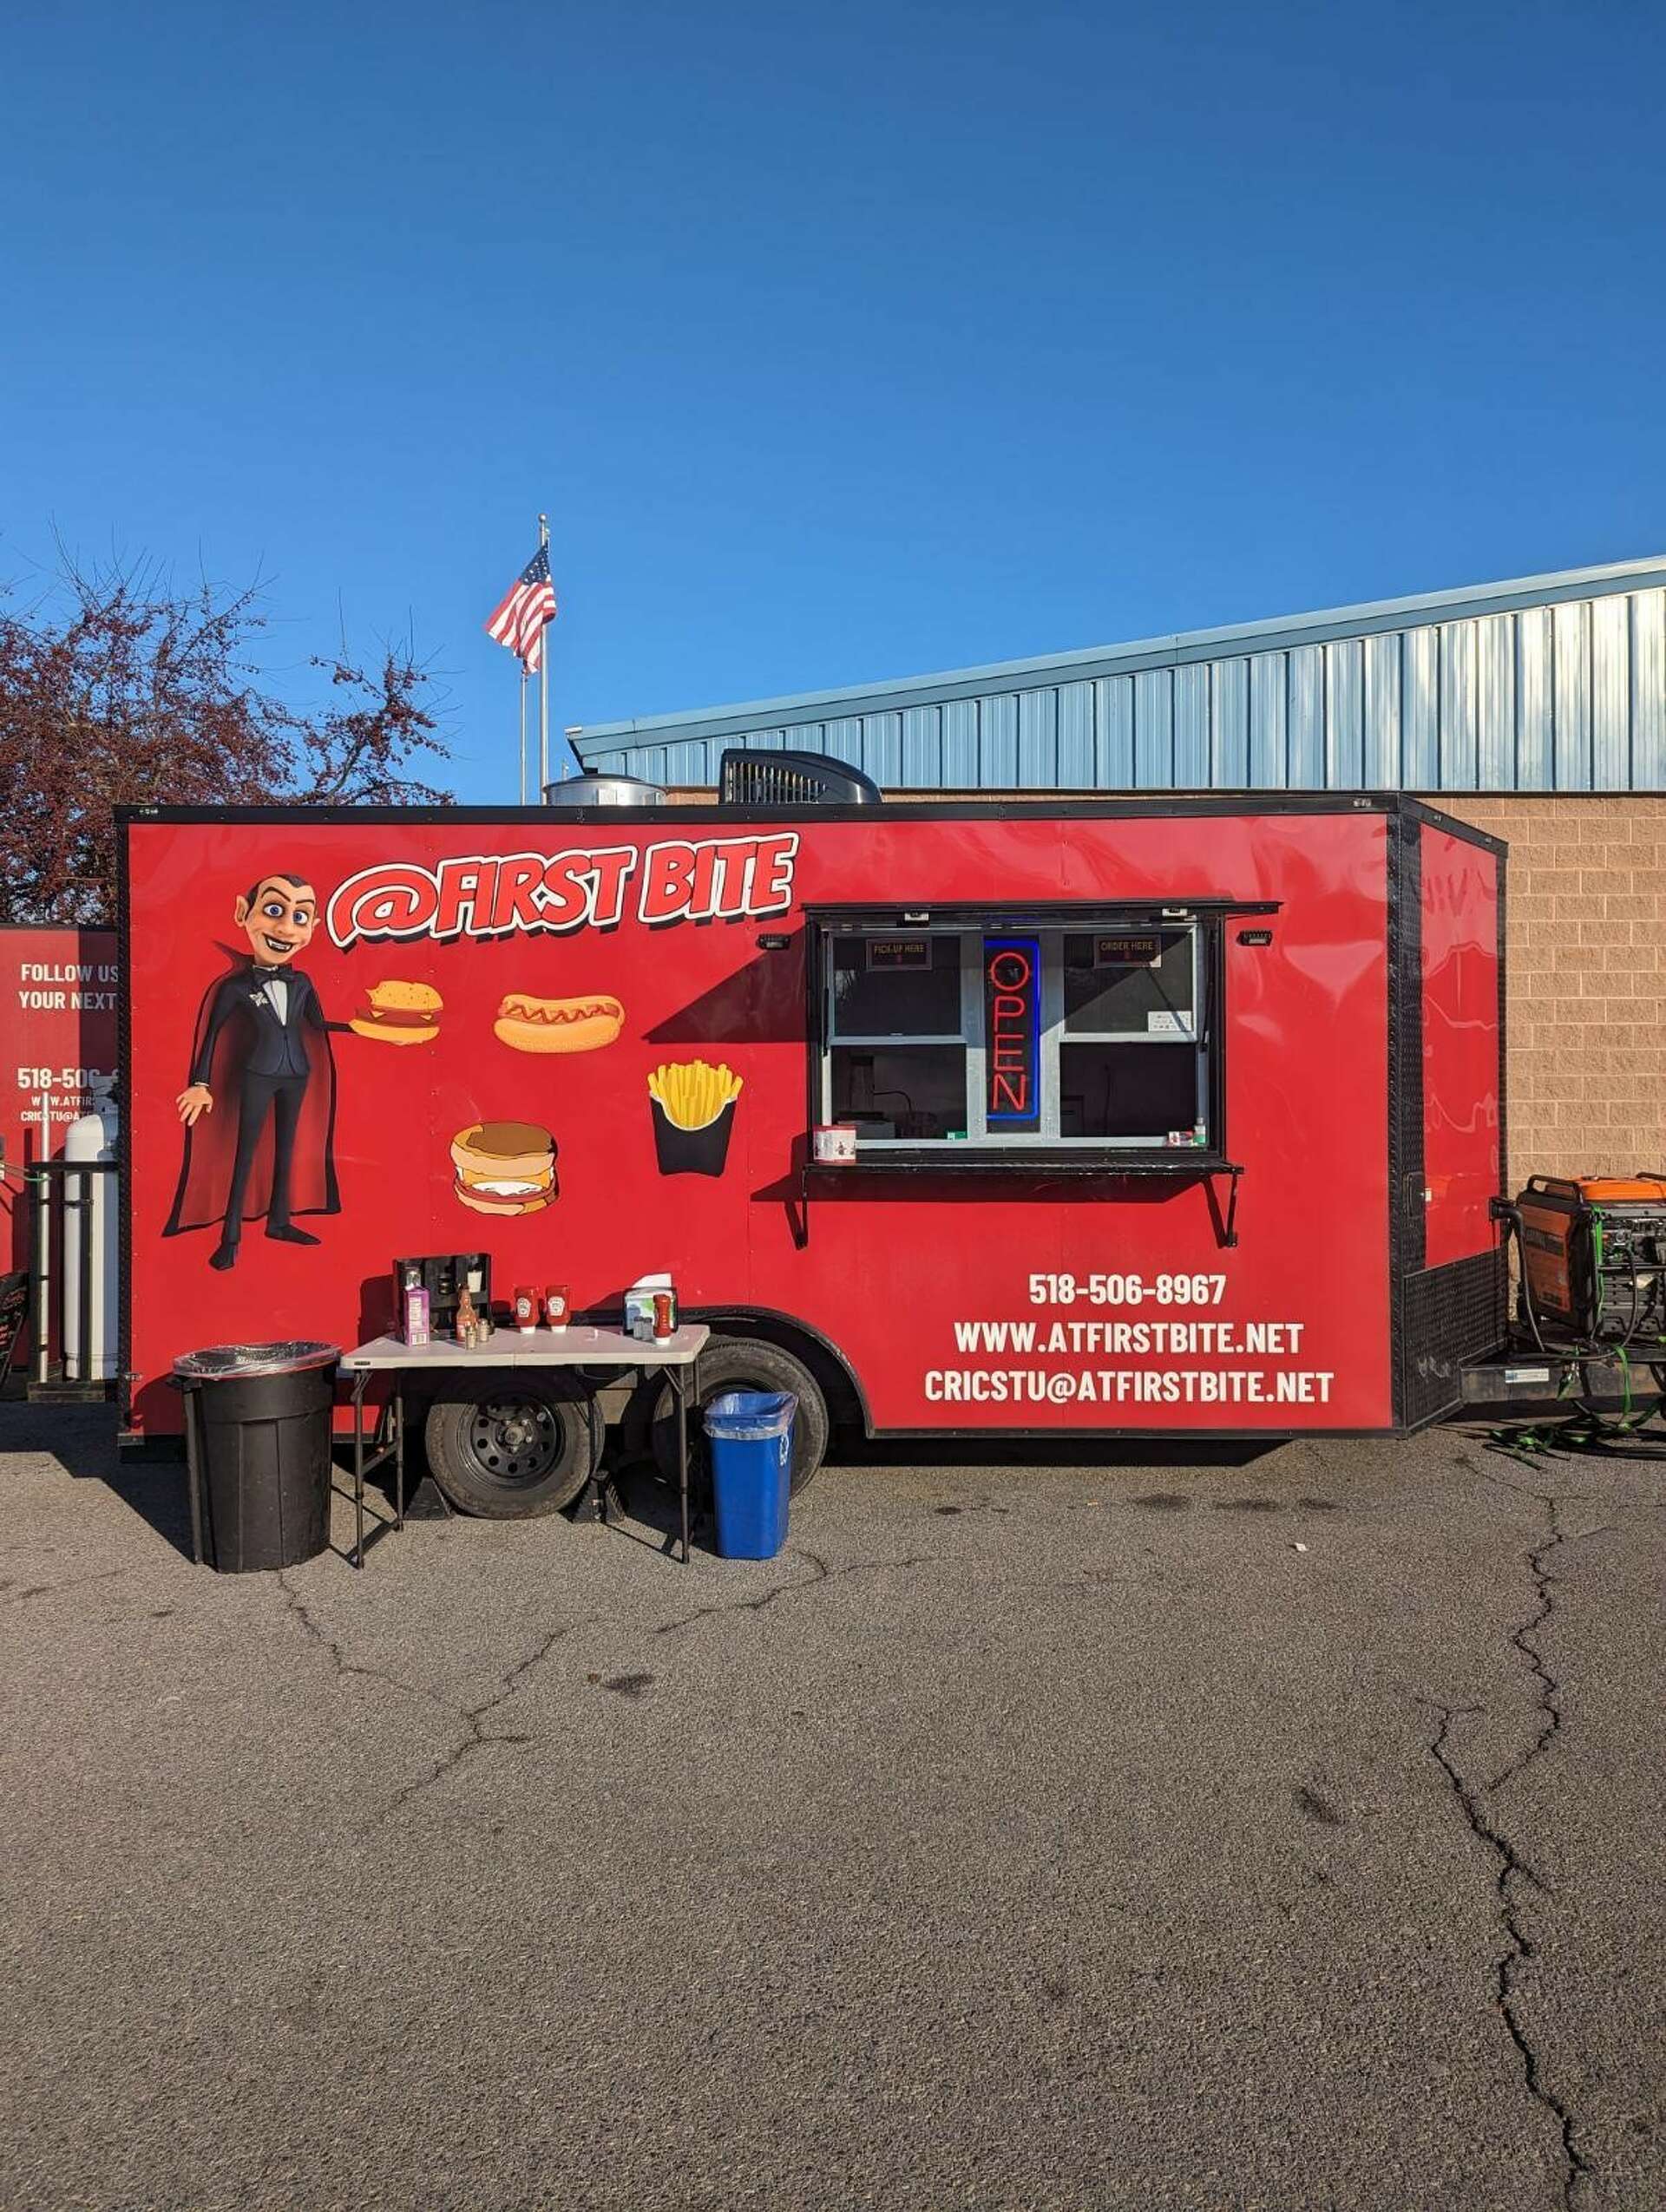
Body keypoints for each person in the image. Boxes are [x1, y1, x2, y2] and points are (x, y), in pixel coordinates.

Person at [166, 874, 346, 1270]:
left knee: (287, 1151)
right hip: (258, 1073)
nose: (286, 928)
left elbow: (317, 1024)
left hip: (297, 1072)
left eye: (301, 917)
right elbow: (212, 1034)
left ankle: (280, 1222)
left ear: (312, 928)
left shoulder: (302, 982)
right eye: (276, 910)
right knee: (244, 1154)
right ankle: (230, 1236)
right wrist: (201, 1083)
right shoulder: (234, 987)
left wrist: (367, 1026)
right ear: (243, 914)